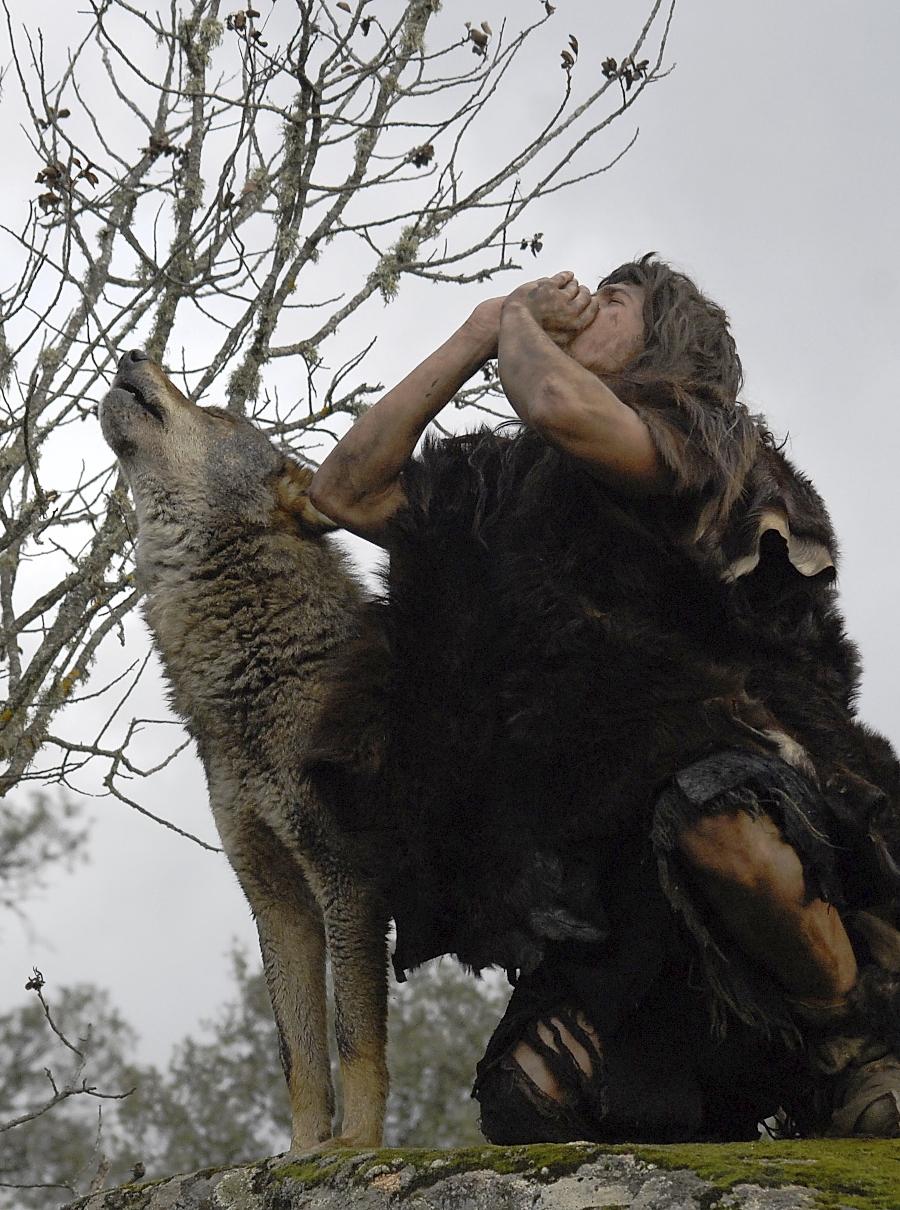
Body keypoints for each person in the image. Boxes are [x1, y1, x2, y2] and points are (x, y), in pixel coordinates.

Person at [309, 257, 900, 1141]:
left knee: (716, 818)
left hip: (733, 777)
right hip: (599, 863)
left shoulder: (708, 436)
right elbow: (343, 490)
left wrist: (524, 326)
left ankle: (849, 1040)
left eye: (613, 301)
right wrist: (484, 325)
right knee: (526, 1100)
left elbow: (557, 406)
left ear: (663, 341)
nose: (584, 302)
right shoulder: (505, 481)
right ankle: (710, 1094)